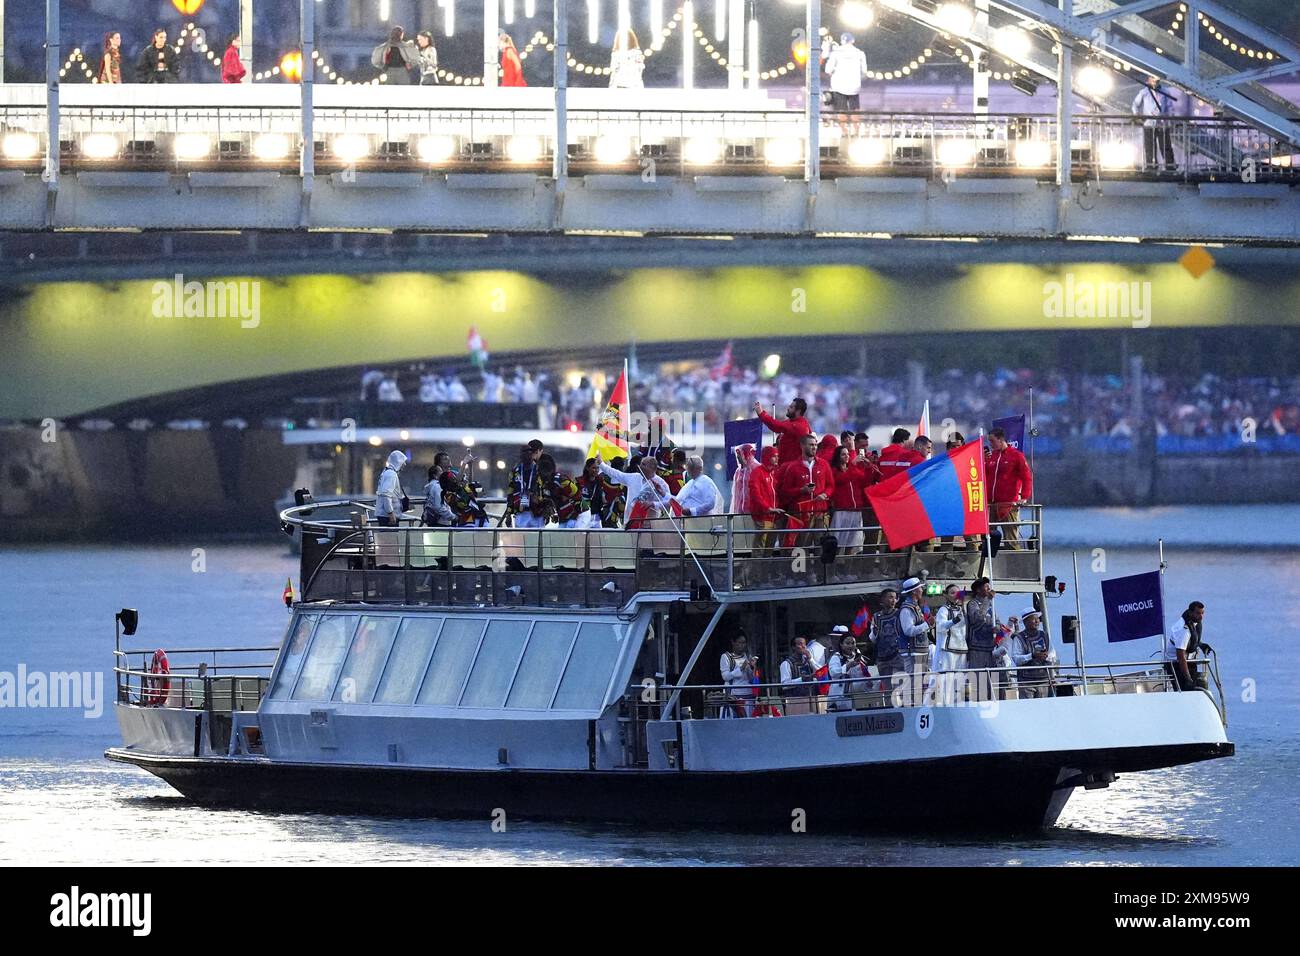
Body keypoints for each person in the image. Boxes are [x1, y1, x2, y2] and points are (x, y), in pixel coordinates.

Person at [986, 427, 1034, 550]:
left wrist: (1024, 497)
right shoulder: (993, 456)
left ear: (1000, 440)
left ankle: (1016, 563)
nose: (990, 444)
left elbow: (1027, 477)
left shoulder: (1016, 456)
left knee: (1010, 538)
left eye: (992, 441)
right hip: (991, 504)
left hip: (1008, 504)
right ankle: (990, 562)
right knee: (988, 537)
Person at [597, 452, 672, 528]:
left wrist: (653, 504)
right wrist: (601, 464)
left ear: (651, 467)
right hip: (630, 523)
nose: (639, 466)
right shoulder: (633, 477)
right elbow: (617, 474)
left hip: (649, 526)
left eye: (643, 464)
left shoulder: (662, 484)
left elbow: (669, 504)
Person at [777, 433, 834, 531]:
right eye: (811, 445)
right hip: (801, 513)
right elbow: (785, 491)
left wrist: (825, 494)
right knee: (802, 543)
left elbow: (831, 485)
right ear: (802, 446)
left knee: (821, 542)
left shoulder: (824, 464)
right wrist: (801, 490)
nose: (814, 447)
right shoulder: (793, 467)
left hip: (820, 512)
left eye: (815, 445)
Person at [829, 445, 871, 554]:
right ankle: (833, 568)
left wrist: (867, 467)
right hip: (842, 510)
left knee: (851, 544)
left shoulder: (852, 469)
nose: (847, 456)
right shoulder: (834, 471)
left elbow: (864, 481)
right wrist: (853, 464)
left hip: (856, 510)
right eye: (843, 454)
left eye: (848, 454)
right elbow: (843, 479)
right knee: (838, 542)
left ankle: (846, 568)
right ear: (837, 457)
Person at [965, 577, 1000, 701]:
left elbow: (997, 621)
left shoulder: (991, 605)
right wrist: (987, 601)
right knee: (977, 679)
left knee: (991, 679)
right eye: (986, 587)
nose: (989, 589)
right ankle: (977, 701)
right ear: (978, 590)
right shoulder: (972, 604)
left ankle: (991, 702)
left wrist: (997, 628)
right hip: (976, 646)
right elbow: (976, 619)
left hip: (989, 647)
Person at [1132, 75, 1177, 173]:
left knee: (1165, 145)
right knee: (1149, 146)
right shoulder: (1144, 92)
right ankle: (1151, 165)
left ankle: (1169, 166)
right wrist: (1137, 115)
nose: (1155, 82)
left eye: (1157, 80)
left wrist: (1169, 117)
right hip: (1149, 122)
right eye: (1153, 79)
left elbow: (1170, 107)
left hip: (1162, 123)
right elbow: (1135, 104)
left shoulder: (1165, 92)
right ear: (1149, 80)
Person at [932, 584, 969, 702]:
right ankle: (943, 702)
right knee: (946, 678)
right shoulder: (944, 610)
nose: (956, 595)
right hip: (948, 648)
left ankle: (958, 702)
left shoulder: (963, 609)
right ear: (946, 595)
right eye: (952, 593)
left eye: (958, 593)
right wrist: (953, 620)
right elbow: (940, 627)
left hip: (962, 648)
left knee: (960, 679)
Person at [754, 398, 813, 468]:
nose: (788, 408)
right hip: (786, 466)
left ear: (798, 411)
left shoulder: (799, 425)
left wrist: (762, 414)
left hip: (790, 468)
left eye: (791, 407)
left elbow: (776, 426)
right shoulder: (794, 422)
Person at [1009, 608, 1054, 698]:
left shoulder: (1044, 635)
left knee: (1043, 707)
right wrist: (1032, 656)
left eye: (1037, 618)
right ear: (1025, 622)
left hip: (1043, 679)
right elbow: (1016, 659)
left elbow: (1052, 654)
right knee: (1028, 708)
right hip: (1026, 682)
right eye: (1033, 619)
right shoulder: (1019, 638)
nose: (1037, 621)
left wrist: (1046, 657)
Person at [747, 446, 784, 556]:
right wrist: (767, 508)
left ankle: (765, 571)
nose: (777, 459)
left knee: (769, 548)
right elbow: (755, 494)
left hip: (773, 517)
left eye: (777, 456)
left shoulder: (773, 473)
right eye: (774, 456)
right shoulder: (757, 473)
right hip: (762, 517)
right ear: (767, 457)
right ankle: (757, 573)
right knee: (760, 548)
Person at [1165, 601, 1207, 692]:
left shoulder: (1195, 622)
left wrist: (1201, 644)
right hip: (1176, 664)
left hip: (1189, 661)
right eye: (1198, 613)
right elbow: (1180, 656)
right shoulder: (1183, 629)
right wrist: (1188, 678)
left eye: (1202, 613)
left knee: (1194, 690)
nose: (1201, 616)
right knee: (1184, 691)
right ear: (1190, 612)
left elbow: (1192, 639)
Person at [898, 577, 933, 679]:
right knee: (915, 684)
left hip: (920, 651)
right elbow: (909, 630)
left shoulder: (915, 607)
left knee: (922, 683)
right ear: (914, 591)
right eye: (920, 588)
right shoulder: (906, 609)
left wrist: (929, 624)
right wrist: (927, 624)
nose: (922, 590)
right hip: (913, 652)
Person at [824, 32, 868, 112]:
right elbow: (864, 71)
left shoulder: (836, 53)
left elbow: (827, 70)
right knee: (855, 111)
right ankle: (856, 124)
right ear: (853, 41)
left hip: (838, 86)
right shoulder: (860, 53)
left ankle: (843, 124)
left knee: (841, 111)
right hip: (855, 86)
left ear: (841, 41)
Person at [507, 440, 546, 527]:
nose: (527, 457)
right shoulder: (514, 472)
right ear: (521, 456)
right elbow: (510, 493)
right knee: (521, 539)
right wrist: (508, 513)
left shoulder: (539, 470)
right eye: (524, 454)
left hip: (537, 512)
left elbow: (545, 490)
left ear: (532, 455)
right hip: (521, 512)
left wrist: (547, 508)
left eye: (529, 454)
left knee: (538, 539)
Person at [828, 630, 870, 711]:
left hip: (856, 696)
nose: (850, 646)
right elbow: (833, 673)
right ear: (841, 644)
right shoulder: (836, 657)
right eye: (847, 643)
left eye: (853, 643)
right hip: (838, 696)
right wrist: (848, 665)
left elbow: (862, 677)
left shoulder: (859, 658)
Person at [720, 634, 758, 717]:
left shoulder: (747, 656)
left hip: (747, 694)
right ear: (733, 642)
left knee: (748, 721)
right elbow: (725, 676)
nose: (742, 645)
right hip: (733, 695)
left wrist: (752, 667)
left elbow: (751, 679)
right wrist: (740, 669)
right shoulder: (726, 657)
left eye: (744, 643)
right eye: (739, 642)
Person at [779, 636, 819, 709]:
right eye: (800, 644)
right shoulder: (786, 663)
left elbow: (821, 673)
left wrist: (811, 659)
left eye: (804, 644)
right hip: (795, 701)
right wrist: (802, 680)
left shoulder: (809, 661)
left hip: (811, 699)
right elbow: (784, 685)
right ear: (793, 647)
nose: (803, 646)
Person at [374, 450, 409, 526]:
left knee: (386, 537)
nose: (404, 464)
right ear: (398, 462)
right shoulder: (391, 474)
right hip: (388, 516)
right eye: (403, 462)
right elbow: (386, 495)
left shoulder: (386, 472)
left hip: (384, 515)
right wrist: (391, 513)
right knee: (389, 537)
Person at [729, 443, 758, 515]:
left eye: (740, 454)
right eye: (737, 455)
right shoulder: (738, 471)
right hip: (739, 511)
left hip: (753, 511)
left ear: (746, 454)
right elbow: (735, 493)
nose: (738, 457)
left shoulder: (756, 469)